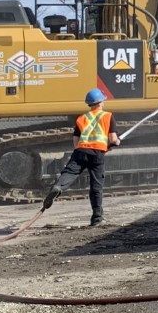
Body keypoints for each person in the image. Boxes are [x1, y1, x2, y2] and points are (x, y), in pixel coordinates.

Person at [42, 88, 119, 224]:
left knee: (69, 172)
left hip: (81, 151)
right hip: (97, 154)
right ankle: (97, 218)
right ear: (100, 102)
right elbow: (112, 139)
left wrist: (81, 149)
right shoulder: (108, 116)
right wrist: (116, 142)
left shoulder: (82, 118)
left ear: (89, 103)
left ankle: (58, 187)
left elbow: (76, 139)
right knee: (96, 186)